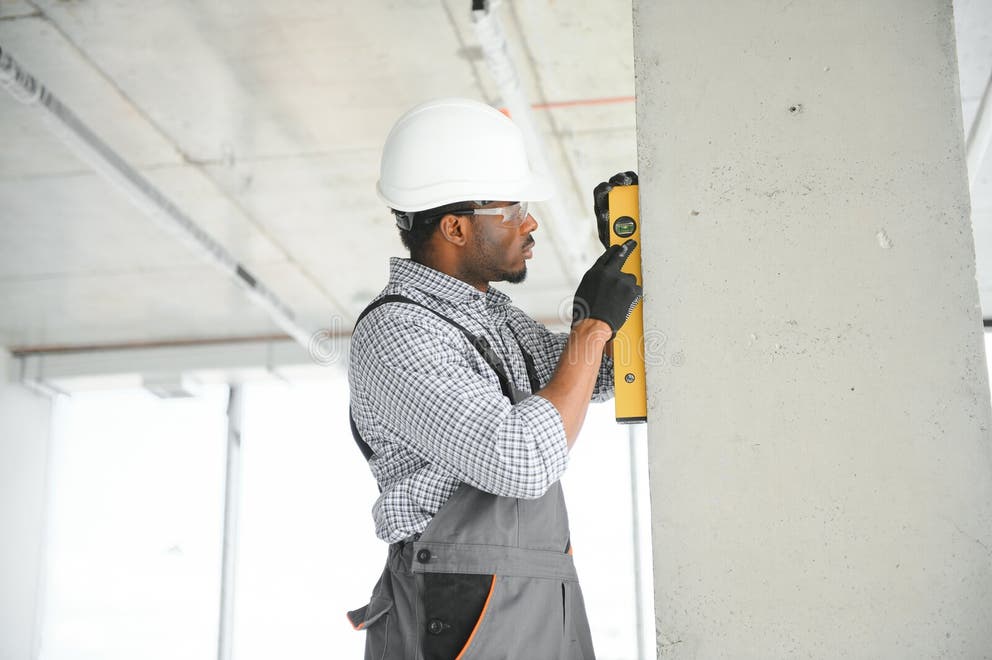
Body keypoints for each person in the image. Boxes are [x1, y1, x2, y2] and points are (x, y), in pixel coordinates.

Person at [346, 97, 641, 660]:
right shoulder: (399, 332)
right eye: (512, 210)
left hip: (536, 592)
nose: (530, 223)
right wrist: (592, 326)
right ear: (456, 227)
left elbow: (596, 376)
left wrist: (632, 264)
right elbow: (521, 459)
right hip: (459, 602)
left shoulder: (492, 317)